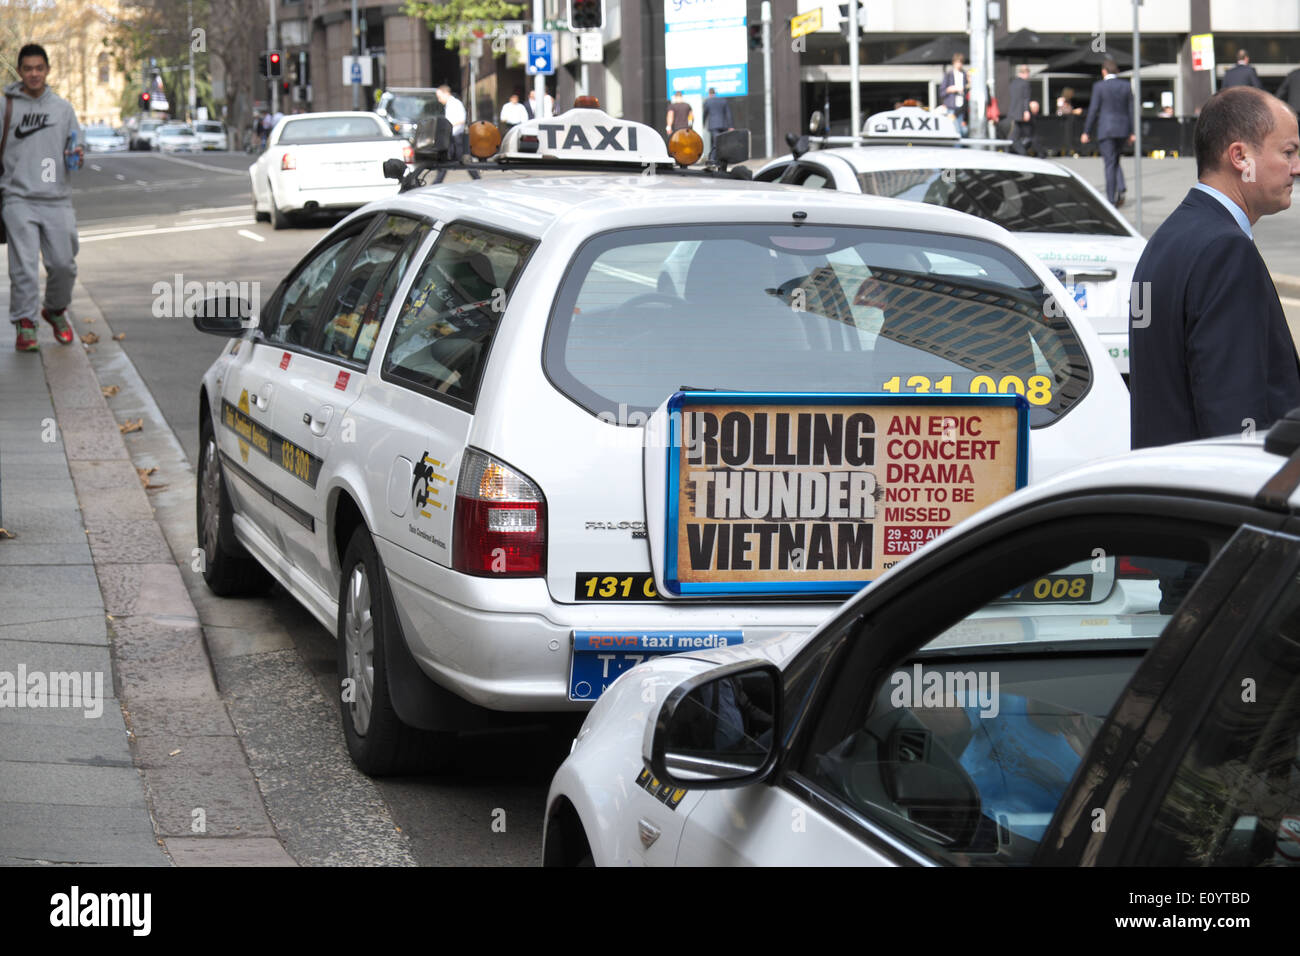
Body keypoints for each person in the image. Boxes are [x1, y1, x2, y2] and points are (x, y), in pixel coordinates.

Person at [1129, 86, 1300, 450]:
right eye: (1288, 152)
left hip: (1165, 487)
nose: (1296, 168)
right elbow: (1235, 416)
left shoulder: (1167, 238)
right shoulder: (1226, 249)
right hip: (1217, 494)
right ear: (1240, 156)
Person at [2, 43, 81, 352]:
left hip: (57, 199)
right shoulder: (6, 107)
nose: (34, 73)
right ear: (20, 72)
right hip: (18, 198)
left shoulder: (63, 109)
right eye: (27, 68)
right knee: (23, 267)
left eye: (39, 68)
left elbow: (75, 148)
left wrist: (76, 155)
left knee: (64, 265)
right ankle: (25, 324)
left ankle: (55, 310)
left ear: (47, 70)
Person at [1080, 58, 1133, 206]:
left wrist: (1086, 131)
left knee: (1109, 163)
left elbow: (1093, 110)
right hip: (1122, 129)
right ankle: (1120, 187)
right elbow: (1131, 110)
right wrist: (1132, 132)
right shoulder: (1126, 86)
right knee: (1116, 160)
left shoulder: (1099, 87)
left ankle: (1111, 199)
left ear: (1104, 71)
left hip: (1106, 129)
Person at [432, 84, 479, 184]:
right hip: (452, 137)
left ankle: (437, 181)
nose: (439, 100)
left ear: (446, 93)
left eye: (439, 97)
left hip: (457, 137)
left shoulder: (455, 104)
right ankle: (437, 181)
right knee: (447, 159)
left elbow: (461, 120)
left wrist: (448, 126)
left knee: (461, 160)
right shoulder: (450, 104)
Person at [940, 53, 969, 136]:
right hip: (951, 108)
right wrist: (951, 89)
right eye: (957, 62)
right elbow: (942, 92)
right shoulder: (949, 75)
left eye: (961, 62)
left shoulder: (964, 74)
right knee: (957, 131)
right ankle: (958, 149)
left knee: (964, 131)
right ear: (954, 63)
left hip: (962, 108)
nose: (959, 65)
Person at [701, 87, 733, 162]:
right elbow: (728, 114)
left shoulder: (707, 101)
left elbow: (705, 114)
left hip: (713, 125)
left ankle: (713, 158)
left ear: (709, 93)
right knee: (722, 142)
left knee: (716, 142)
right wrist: (731, 126)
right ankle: (721, 158)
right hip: (723, 125)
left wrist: (703, 123)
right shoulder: (723, 100)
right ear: (715, 93)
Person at [1008, 64, 1034, 155]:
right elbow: (1026, 98)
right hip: (1021, 113)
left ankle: (1013, 151)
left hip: (1013, 113)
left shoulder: (1012, 83)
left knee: (1014, 135)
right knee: (1024, 135)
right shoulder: (1025, 84)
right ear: (1026, 73)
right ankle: (1022, 152)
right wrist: (1026, 111)